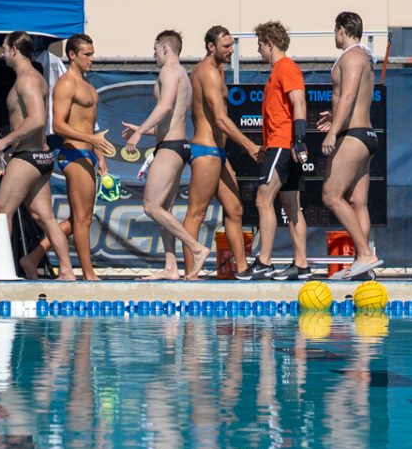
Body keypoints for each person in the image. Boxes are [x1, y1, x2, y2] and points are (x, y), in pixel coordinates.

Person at [0, 31, 77, 280]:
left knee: (2, 211)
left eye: (5, 48)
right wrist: (8, 148)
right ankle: (67, 270)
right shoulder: (32, 78)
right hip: (39, 156)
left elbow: (37, 119)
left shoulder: (27, 80)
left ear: (15, 50)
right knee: (42, 216)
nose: (2, 53)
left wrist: (5, 140)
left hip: (28, 157)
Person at [120, 30, 211, 279]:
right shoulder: (183, 75)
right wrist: (142, 130)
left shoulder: (169, 72)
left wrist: (139, 133)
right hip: (175, 144)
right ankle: (171, 267)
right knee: (164, 211)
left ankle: (197, 248)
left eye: (155, 49)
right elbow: (171, 120)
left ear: (165, 49)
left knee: (151, 206)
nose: (154, 55)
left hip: (170, 149)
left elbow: (165, 106)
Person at [181, 26, 258, 277]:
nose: (231, 50)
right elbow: (221, 120)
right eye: (226, 46)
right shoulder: (208, 73)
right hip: (206, 152)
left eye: (232, 45)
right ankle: (190, 273)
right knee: (196, 213)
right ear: (210, 47)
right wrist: (249, 145)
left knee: (235, 210)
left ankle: (243, 268)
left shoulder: (217, 70)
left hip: (219, 153)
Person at [242, 20, 309, 281]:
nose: (258, 50)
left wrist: (299, 139)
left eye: (260, 44)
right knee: (292, 207)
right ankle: (301, 266)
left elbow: (299, 101)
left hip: (283, 145)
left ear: (270, 43)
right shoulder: (277, 71)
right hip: (283, 145)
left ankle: (264, 262)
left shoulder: (286, 67)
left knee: (263, 200)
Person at [319, 11, 381, 280]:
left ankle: (366, 254)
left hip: (353, 136)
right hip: (364, 133)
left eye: (335, 31)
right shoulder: (364, 57)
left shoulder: (352, 56)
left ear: (342, 29)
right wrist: (334, 118)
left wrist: (333, 132)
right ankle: (363, 264)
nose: (335, 36)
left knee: (330, 195)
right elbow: (355, 99)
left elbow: (348, 95)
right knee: (358, 202)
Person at [50, 33, 116, 281]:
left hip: (88, 153)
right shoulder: (66, 84)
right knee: (83, 218)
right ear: (72, 55)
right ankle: (88, 274)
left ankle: (34, 256)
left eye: (92, 53)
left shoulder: (88, 86)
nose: (92, 58)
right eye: (87, 54)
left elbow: (91, 127)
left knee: (79, 217)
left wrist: (100, 157)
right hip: (73, 154)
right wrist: (91, 141)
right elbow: (57, 125)